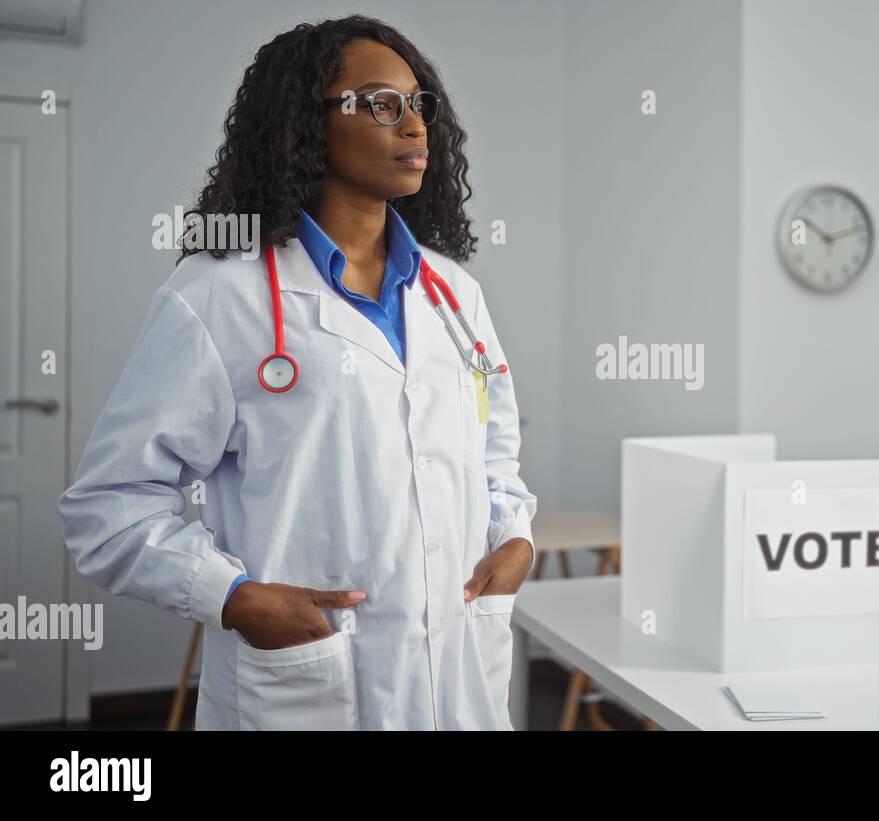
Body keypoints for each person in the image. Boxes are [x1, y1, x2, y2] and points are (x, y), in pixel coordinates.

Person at [57, 15, 537, 730]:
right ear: (305, 127)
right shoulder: (220, 295)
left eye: (420, 103)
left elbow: (492, 446)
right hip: (307, 688)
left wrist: (515, 534)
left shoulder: (452, 293)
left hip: (458, 677)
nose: (414, 126)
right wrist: (232, 595)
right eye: (380, 102)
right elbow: (109, 504)